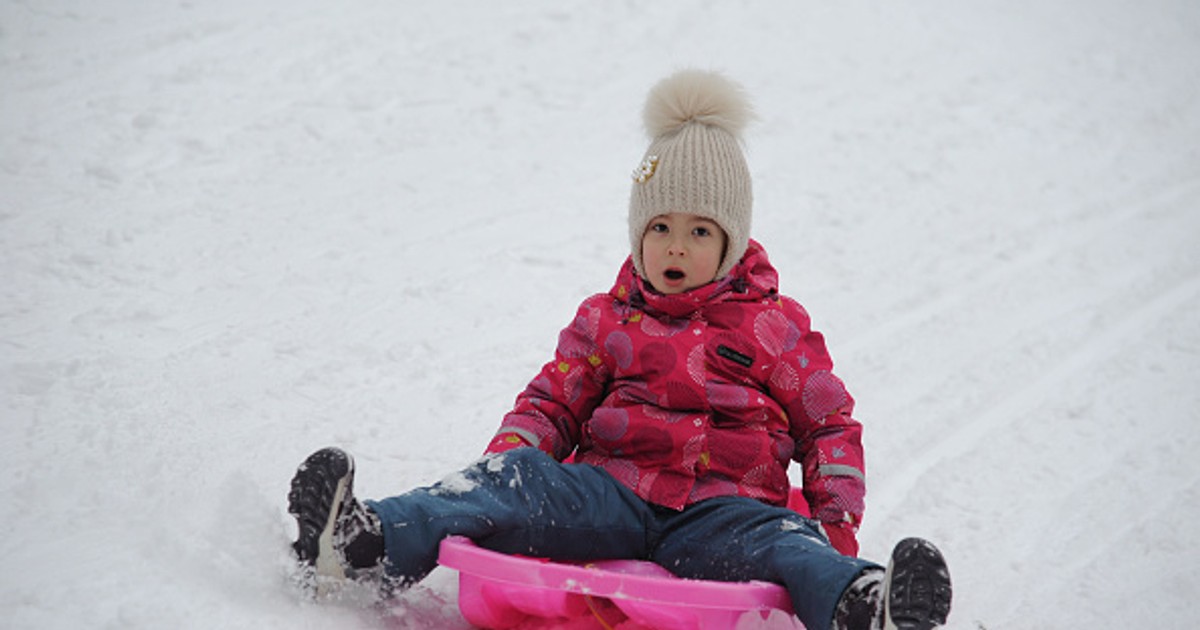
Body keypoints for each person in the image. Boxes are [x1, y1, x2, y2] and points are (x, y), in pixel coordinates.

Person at [287, 69, 952, 630]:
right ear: (638, 232)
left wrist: (833, 525)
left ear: (732, 240)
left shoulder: (774, 326)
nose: (675, 246)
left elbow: (829, 424)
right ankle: (361, 543)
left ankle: (865, 604)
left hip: (726, 511)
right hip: (608, 494)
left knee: (791, 546)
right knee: (506, 480)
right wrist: (512, 476)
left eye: (699, 230)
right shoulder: (607, 320)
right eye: (659, 226)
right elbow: (552, 403)